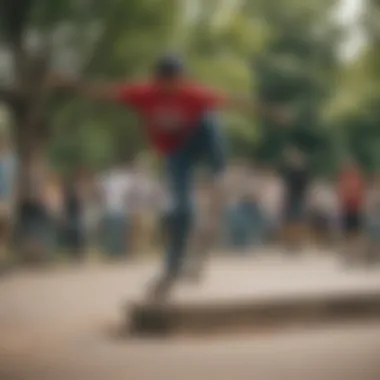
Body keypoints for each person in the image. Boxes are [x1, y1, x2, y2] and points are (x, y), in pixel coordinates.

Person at [50, 55, 287, 301]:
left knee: (209, 116)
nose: (174, 88)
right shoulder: (145, 93)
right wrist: (70, 84)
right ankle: (172, 267)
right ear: (159, 80)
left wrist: (271, 112)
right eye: (169, 83)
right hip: (177, 154)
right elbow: (106, 92)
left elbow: (237, 103)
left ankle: (219, 171)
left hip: (200, 141)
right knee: (180, 211)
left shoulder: (193, 94)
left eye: (178, 82)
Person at [281, 147, 311, 254]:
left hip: (298, 197)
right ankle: (290, 244)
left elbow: (305, 187)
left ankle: (297, 244)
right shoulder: (289, 172)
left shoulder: (302, 172)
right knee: (290, 222)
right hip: (291, 198)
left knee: (298, 221)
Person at [337, 160, 365, 266]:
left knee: (355, 233)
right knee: (348, 234)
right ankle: (350, 256)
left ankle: (355, 256)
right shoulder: (346, 178)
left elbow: (359, 194)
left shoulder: (356, 178)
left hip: (355, 209)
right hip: (348, 209)